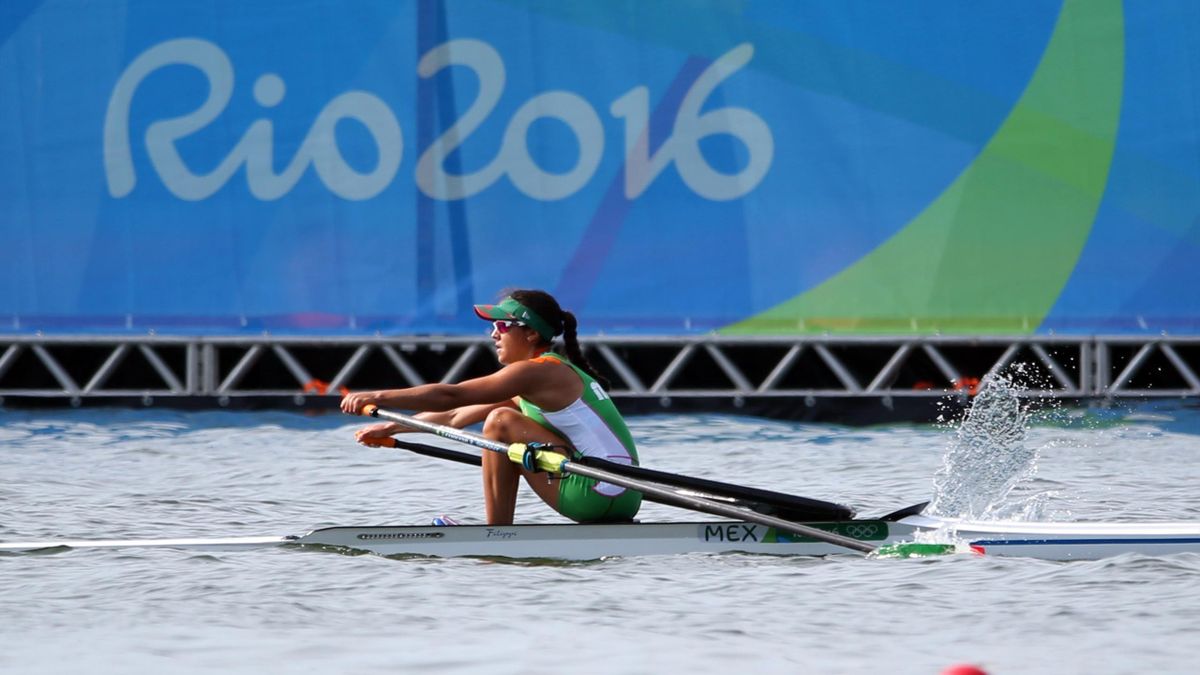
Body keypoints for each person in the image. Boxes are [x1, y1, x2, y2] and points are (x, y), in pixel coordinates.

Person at [340, 289, 641, 525]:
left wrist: (377, 396)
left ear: (531, 333)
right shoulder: (543, 381)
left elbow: (451, 396)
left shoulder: (537, 371)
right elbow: (455, 416)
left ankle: (495, 532)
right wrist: (391, 427)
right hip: (625, 494)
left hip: (596, 493)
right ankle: (498, 531)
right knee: (502, 422)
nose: (493, 333)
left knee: (499, 421)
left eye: (501, 325)